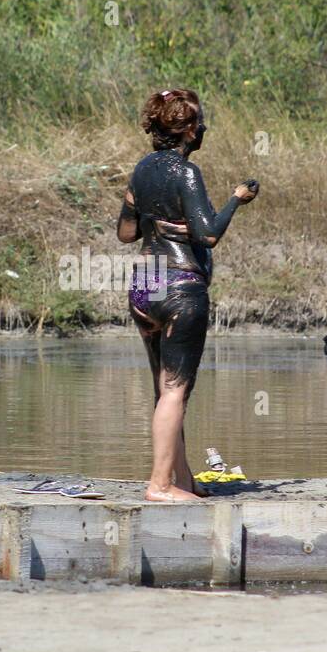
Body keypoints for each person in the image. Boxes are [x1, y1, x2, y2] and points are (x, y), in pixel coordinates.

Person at [118, 88, 258, 502]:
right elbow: (209, 234)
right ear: (188, 131)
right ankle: (160, 486)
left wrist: (155, 222)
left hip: (144, 284)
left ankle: (181, 479)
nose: (204, 129)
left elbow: (126, 232)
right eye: (201, 123)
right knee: (175, 390)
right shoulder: (185, 172)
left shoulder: (141, 171)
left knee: (165, 392)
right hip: (180, 285)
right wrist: (236, 199)